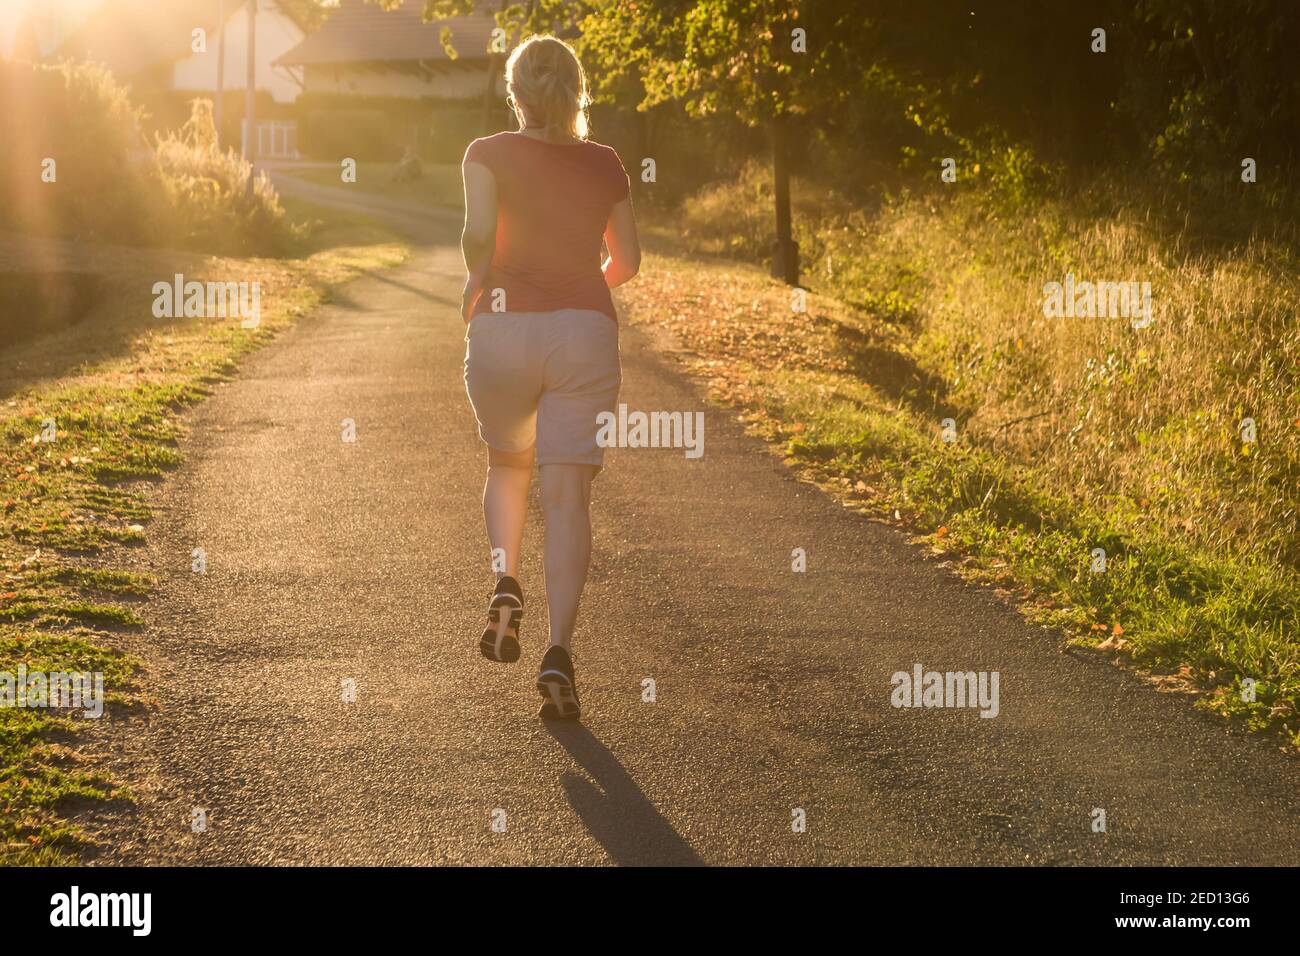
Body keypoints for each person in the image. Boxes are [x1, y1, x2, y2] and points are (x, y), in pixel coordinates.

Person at [460, 34, 641, 719]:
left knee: (508, 464)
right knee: (567, 497)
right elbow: (627, 260)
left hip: (503, 327)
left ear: (516, 94)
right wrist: (580, 291)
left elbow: (479, 235)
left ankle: (506, 581)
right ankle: (558, 652)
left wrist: (478, 280)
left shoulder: (486, 153)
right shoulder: (605, 162)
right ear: (577, 91)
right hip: (584, 334)